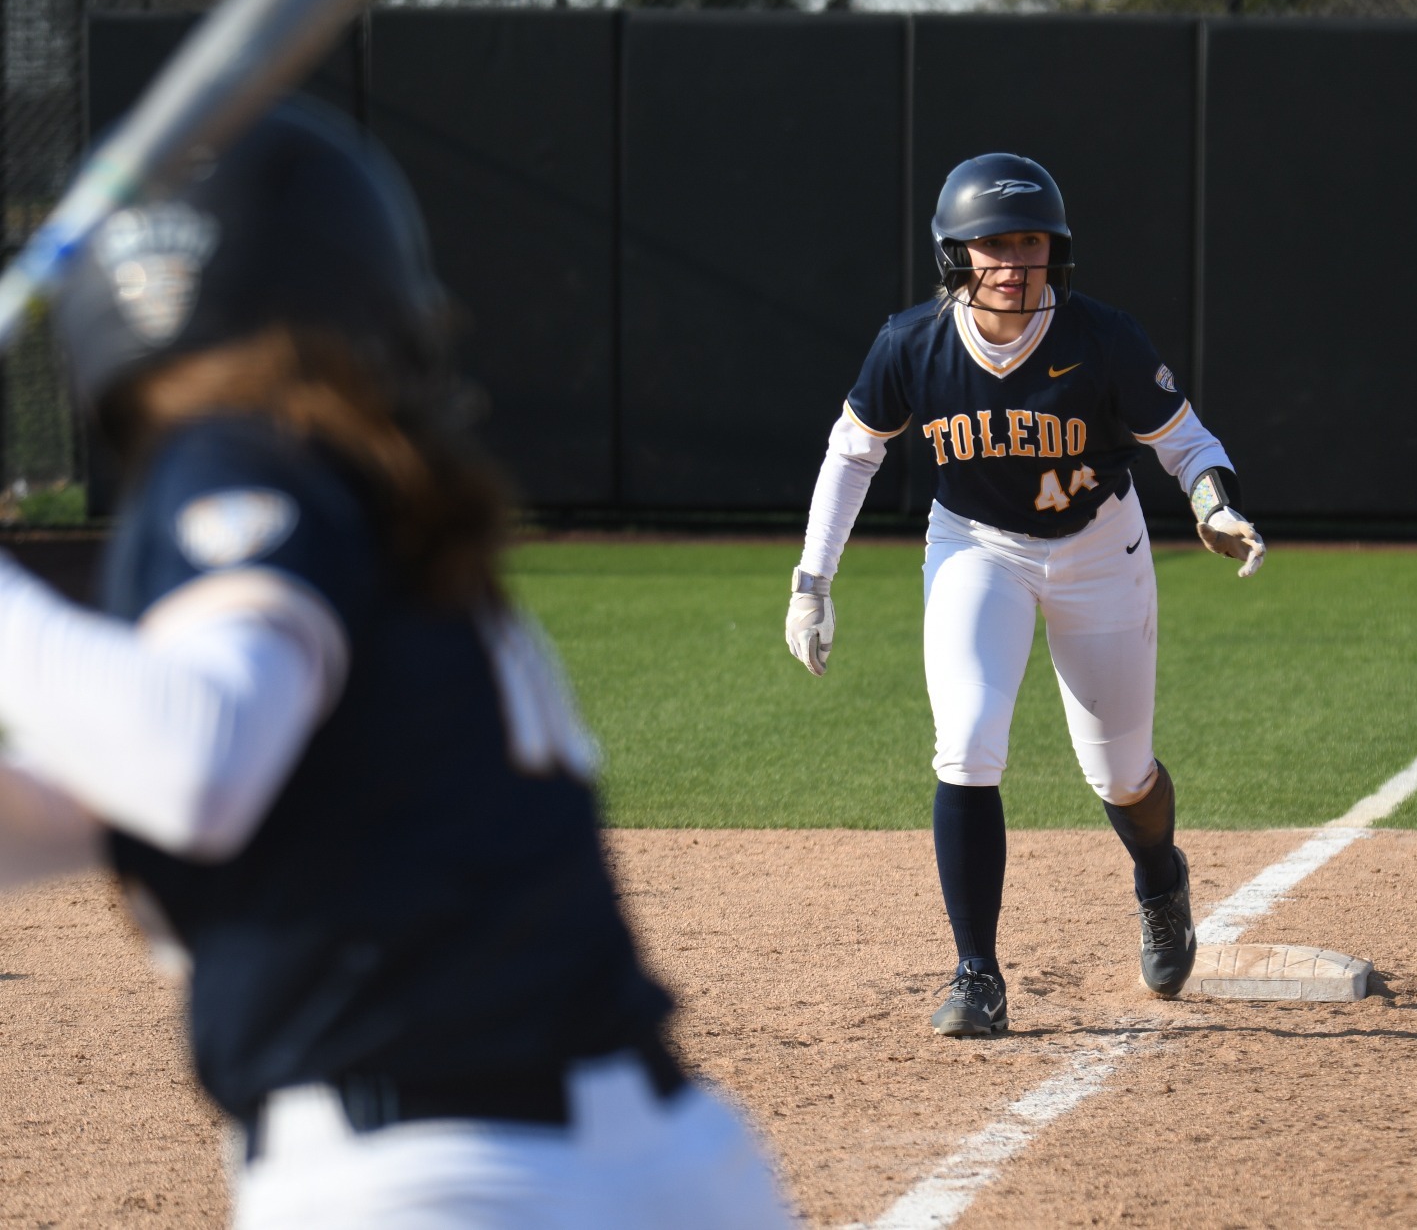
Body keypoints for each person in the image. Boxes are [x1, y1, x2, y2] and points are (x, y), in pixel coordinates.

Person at [0, 100, 794, 1228]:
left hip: (433, 1177)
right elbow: (98, 794)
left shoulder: (241, 453)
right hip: (672, 1165)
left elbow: (189, 762)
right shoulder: (373, 516)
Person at [785, 153, 1266, 1038]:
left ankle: (1159, 877)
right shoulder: (912, 344)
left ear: (1057, 250)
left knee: (1121, 774)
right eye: (992, 243)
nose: (1014, 261)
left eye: (1031, 242)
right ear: (955, 254)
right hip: (977, 547)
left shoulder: (1102, 337)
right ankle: (978, 973)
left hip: (1098, 548)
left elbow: (1188, 443)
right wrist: (811, 582)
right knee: (967, 743)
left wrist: (1214, 504)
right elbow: (852, 453)